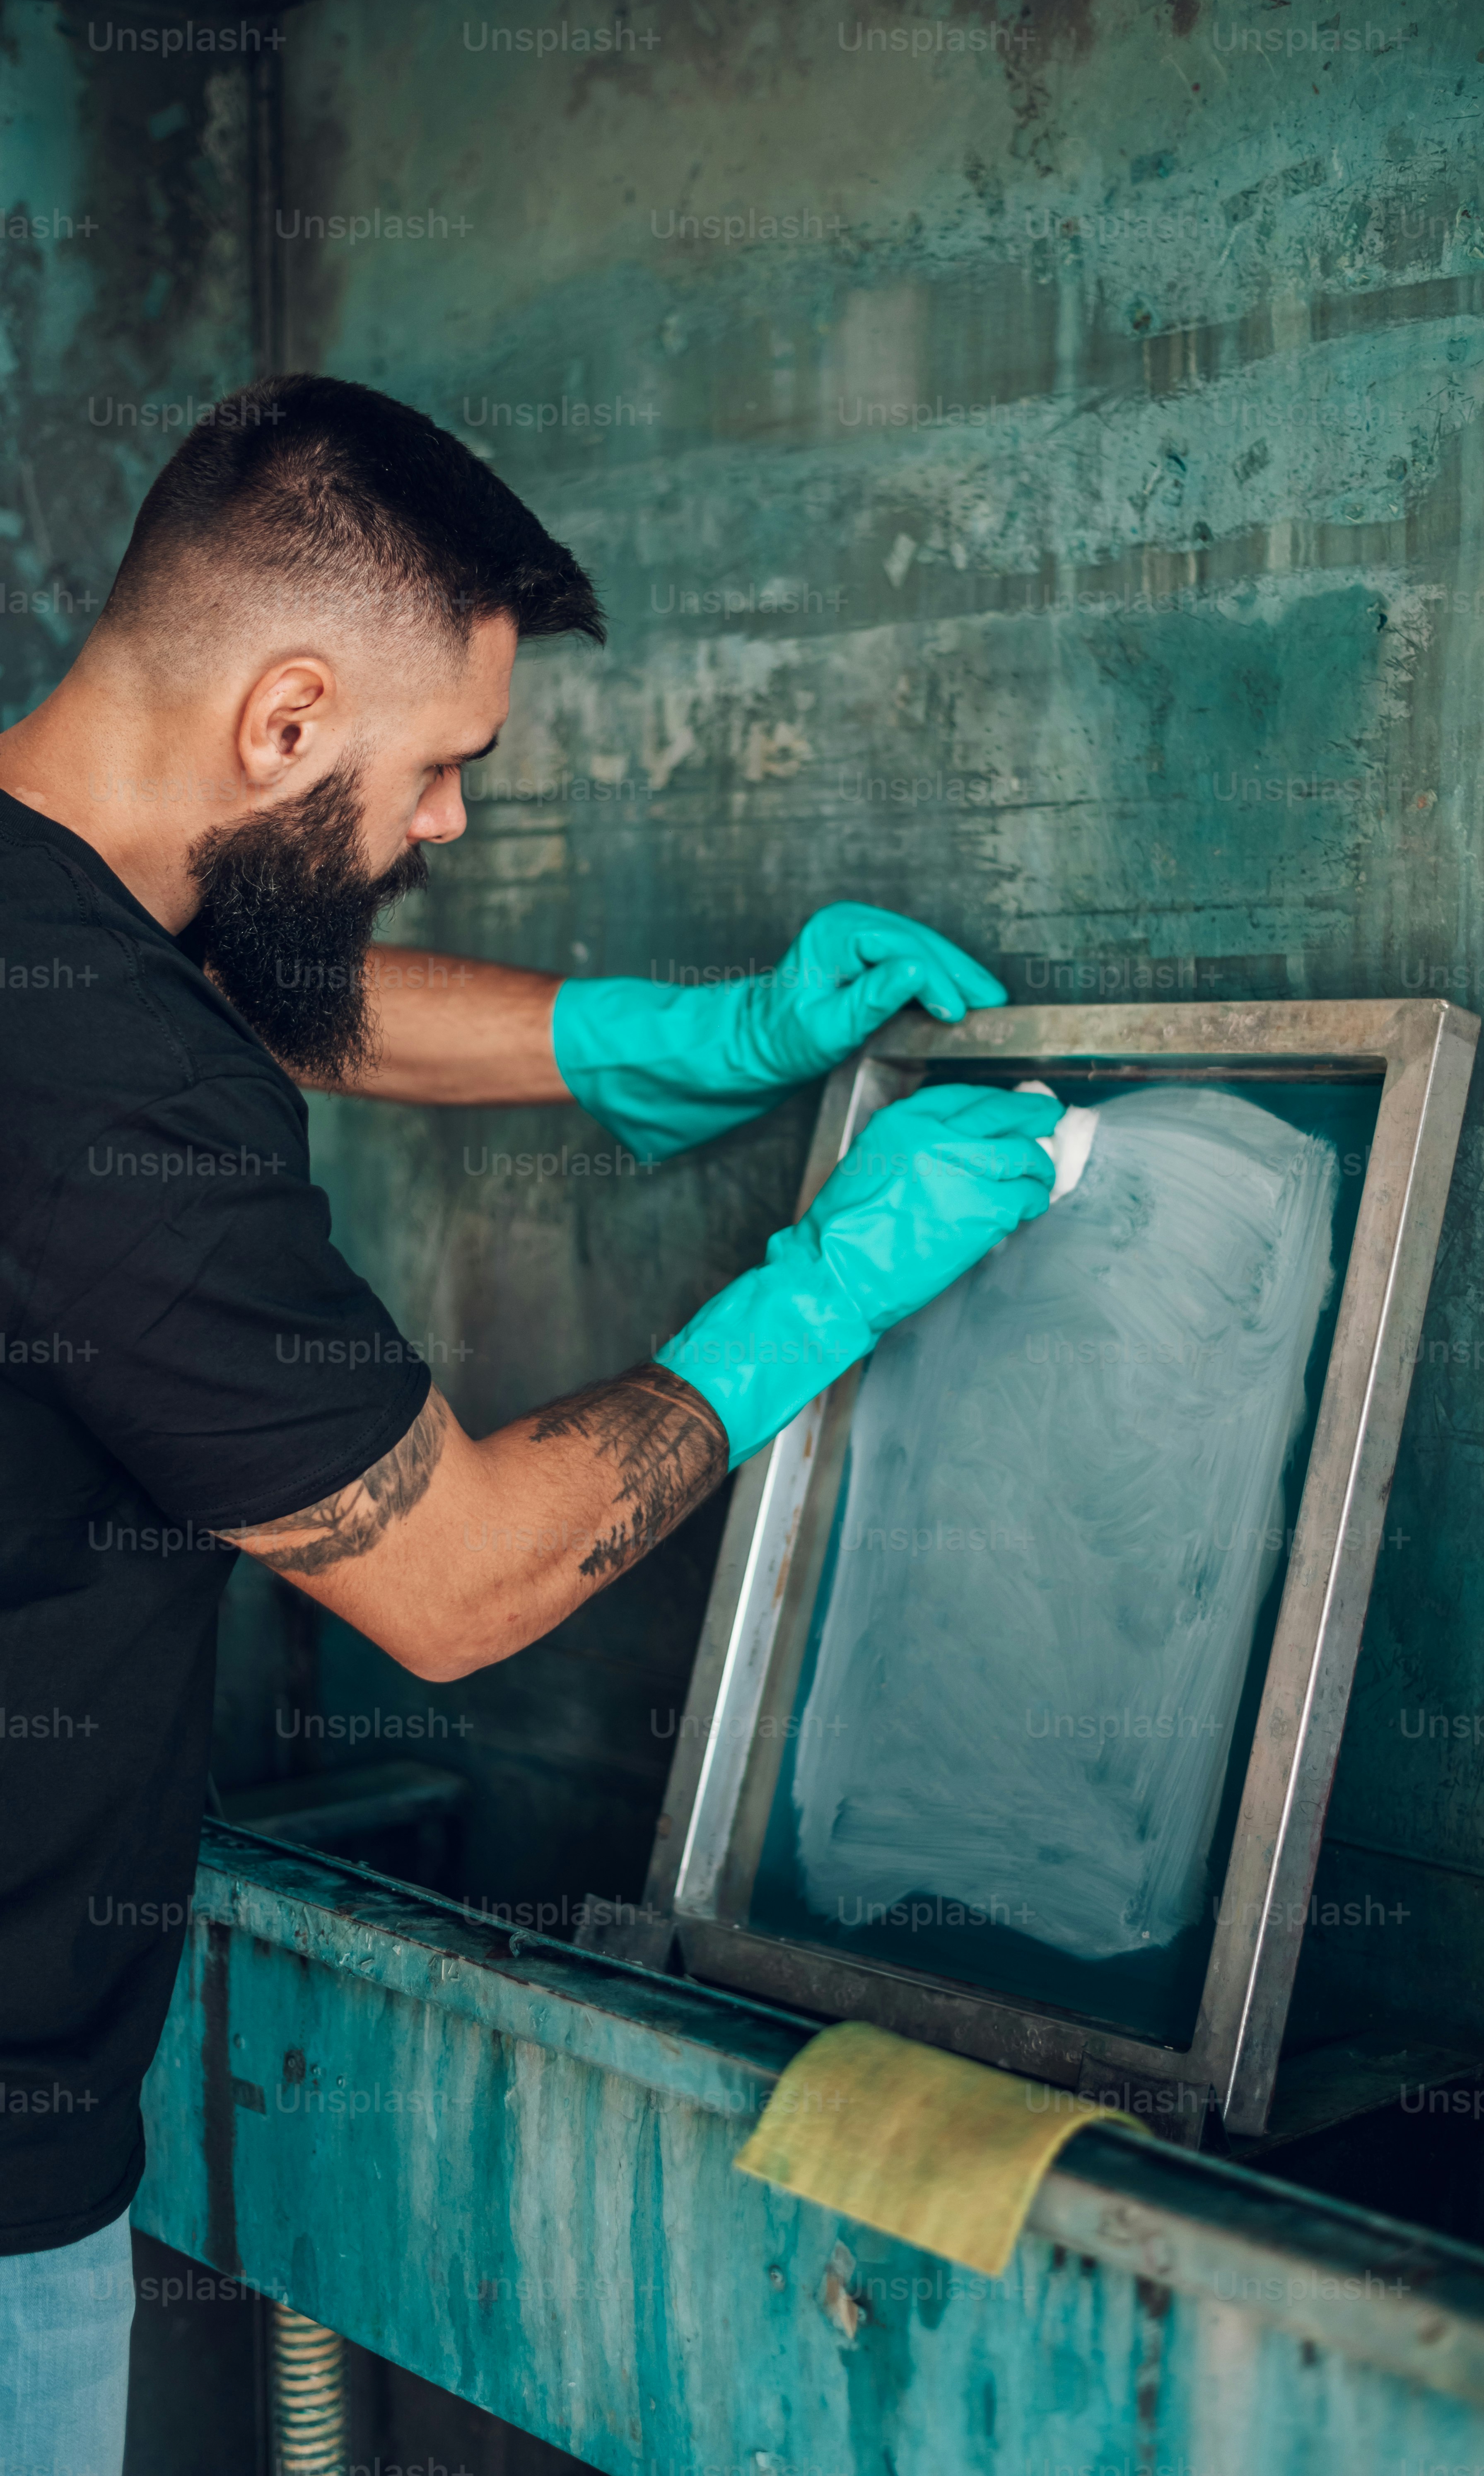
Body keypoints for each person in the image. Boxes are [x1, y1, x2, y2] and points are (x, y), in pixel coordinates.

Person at [0, 374, 1061, 2465]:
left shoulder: (56, 924)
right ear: (283, 721)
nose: (448, 825)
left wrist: (672, 1040)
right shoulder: (97, 1102)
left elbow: (235, 999)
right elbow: (463, 1582)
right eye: (439, 767)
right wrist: (815, 1293)